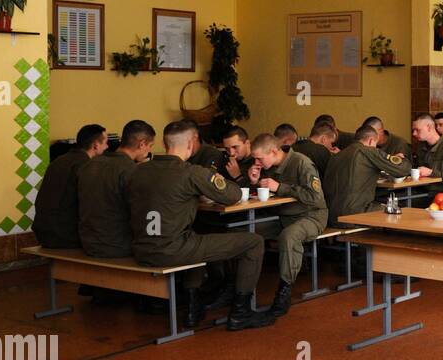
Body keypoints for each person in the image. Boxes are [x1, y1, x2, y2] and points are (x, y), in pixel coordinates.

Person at [126, 121, 271, 331]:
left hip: (142, 248)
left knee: (194, 235)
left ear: (165, 143)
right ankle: (241, 313)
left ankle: (194, 306)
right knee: (254, 242)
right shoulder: (192, 172)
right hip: (172, 250)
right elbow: (234, 195)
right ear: (193, 141)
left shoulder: (139, 171)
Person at [248, 133, 327, 317]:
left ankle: (284, 291)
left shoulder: (301, 163)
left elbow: (315, 197)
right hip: (282, 215)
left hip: (311, 215)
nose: (257, 162)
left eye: (259, 158)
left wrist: (280, 187)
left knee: (289, 236)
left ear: (274, 152)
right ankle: (239, 289)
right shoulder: (267, 167)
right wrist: (253, 182)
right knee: (247, 233)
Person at [77, 119, 154, 259]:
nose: (150, 151)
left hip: (88, 242)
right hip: (117, 245)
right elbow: (143, 211)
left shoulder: (90, 164)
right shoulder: (131, 170)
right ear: (142, 144)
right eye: (150, 145)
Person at [32, 123, 108, 249]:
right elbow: (93, 206)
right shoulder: (87, 166)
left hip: (42, 231)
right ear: (95, 145)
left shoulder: (58, 161)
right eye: (105, 142)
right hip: (65, 235)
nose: (107, 146)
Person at [325, 125, 412, 223]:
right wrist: (401, 158)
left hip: (331, 216)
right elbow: (403, 169)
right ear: (371, 141)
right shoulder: (368, 151)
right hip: (354, 213)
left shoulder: (337, 155)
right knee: (395, 210)